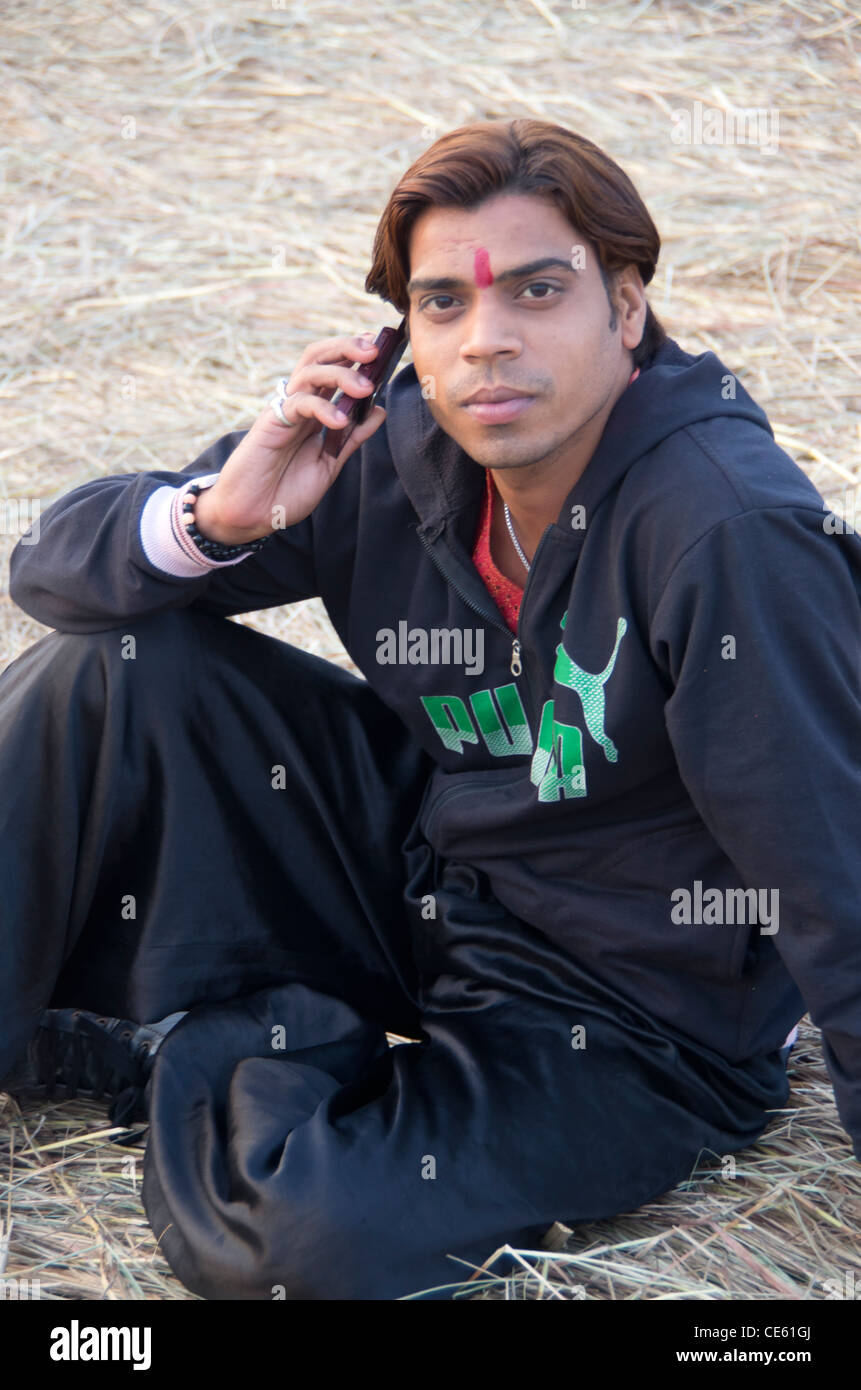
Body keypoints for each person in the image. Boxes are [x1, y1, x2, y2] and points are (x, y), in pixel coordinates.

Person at [2, 117, 859, 1302]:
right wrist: (222, 515)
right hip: (429, 873)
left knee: (301, 1239)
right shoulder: (393, 446)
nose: (487, 343)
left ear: (625, 309)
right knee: (104, 671)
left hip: (627, 1010)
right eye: (444, 303)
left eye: (539, 292)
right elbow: (47, 571)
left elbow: (836, 870)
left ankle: (200, 1041)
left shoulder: (730, 534)